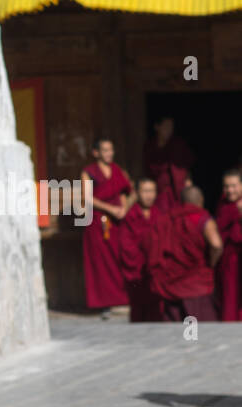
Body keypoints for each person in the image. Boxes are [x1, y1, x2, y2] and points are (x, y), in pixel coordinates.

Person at [148, 184, 222, 323]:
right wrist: (211, 263)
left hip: (172, 285)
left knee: (176, 329)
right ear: (201, 200)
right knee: (200, 331)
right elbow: (216, 244)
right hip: (196, 284)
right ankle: (193, 342)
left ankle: (182, 343)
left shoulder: (167, 219)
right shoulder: (202, 217)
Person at [81, 138, 132, 316]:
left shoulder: (117, 170)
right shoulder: (88, 173)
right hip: (97, 222)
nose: (109, 153)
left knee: (120, 258)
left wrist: (123, 210)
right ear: (96, 153)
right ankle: (105, 304)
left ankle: (122, 298)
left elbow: (123, 192)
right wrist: (111, 208)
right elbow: (87, 198)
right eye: (105, 150)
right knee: (101, 263)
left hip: (118, 221)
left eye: (111, 150)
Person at [117, 177, 160, 323]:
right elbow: (126, 245)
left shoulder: (159, 214)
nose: (149, 195)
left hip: (156, 271)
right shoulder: (130, 216)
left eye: (152, 191)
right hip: (137, 271)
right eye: (145, 191)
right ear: (137, 193)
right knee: (138, 312)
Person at [142, 116, 194, 204]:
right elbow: (148, 170)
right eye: (166, 126)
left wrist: (188, 180)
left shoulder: (178, 145)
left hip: (178, 190)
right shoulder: (150, 147)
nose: (169, 130)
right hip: (160, 192)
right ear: (157, 127)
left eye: (171, 127)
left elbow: (186, 165)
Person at [213, 170, 242, 322]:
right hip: (227, 262)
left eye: (234, 186)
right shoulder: (224, 205)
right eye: (226, 186)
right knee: (228, 299)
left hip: (239, 259)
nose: (230, 190)